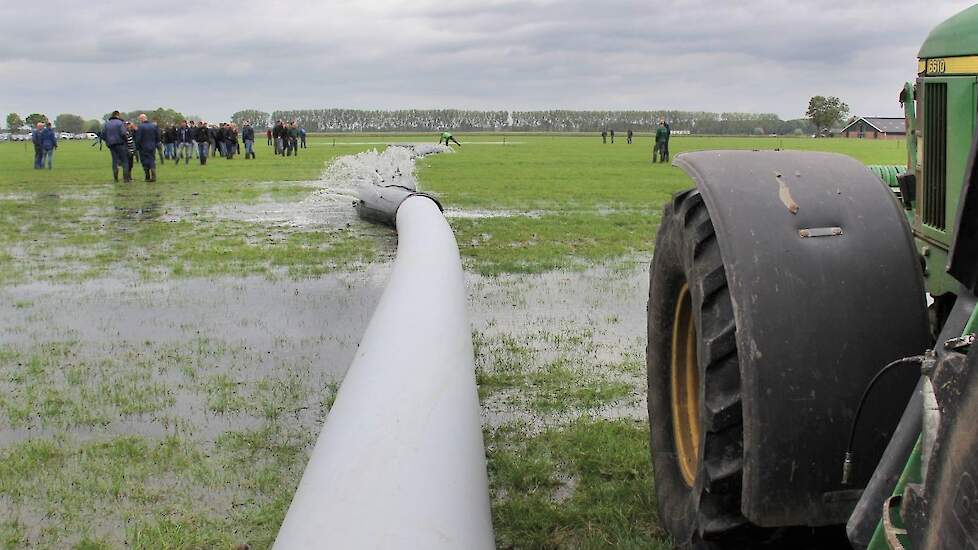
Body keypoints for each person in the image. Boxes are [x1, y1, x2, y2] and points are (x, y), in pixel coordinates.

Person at [103, 111, 132, 182]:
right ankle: (126, 179)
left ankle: (116, 179)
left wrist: (107, 141)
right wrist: (126, 141)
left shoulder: (107, 124)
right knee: (125, 161)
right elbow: (123, 133)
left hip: (111, 145)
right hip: (121, 144)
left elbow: (103, 134)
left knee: (114, 161)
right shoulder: (120, 123)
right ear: (118, 115)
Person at [134, 114, 159, 181]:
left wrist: (137, 147)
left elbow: (138, 138)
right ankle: (153, 175)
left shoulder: (140, 127)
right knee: (152, 160)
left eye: (140, 119)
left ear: (142, 119)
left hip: (143, 147)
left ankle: (147, 176)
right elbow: (157, 136)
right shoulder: (153, 126)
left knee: (144, 161)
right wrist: (155, 144)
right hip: (152, 146)